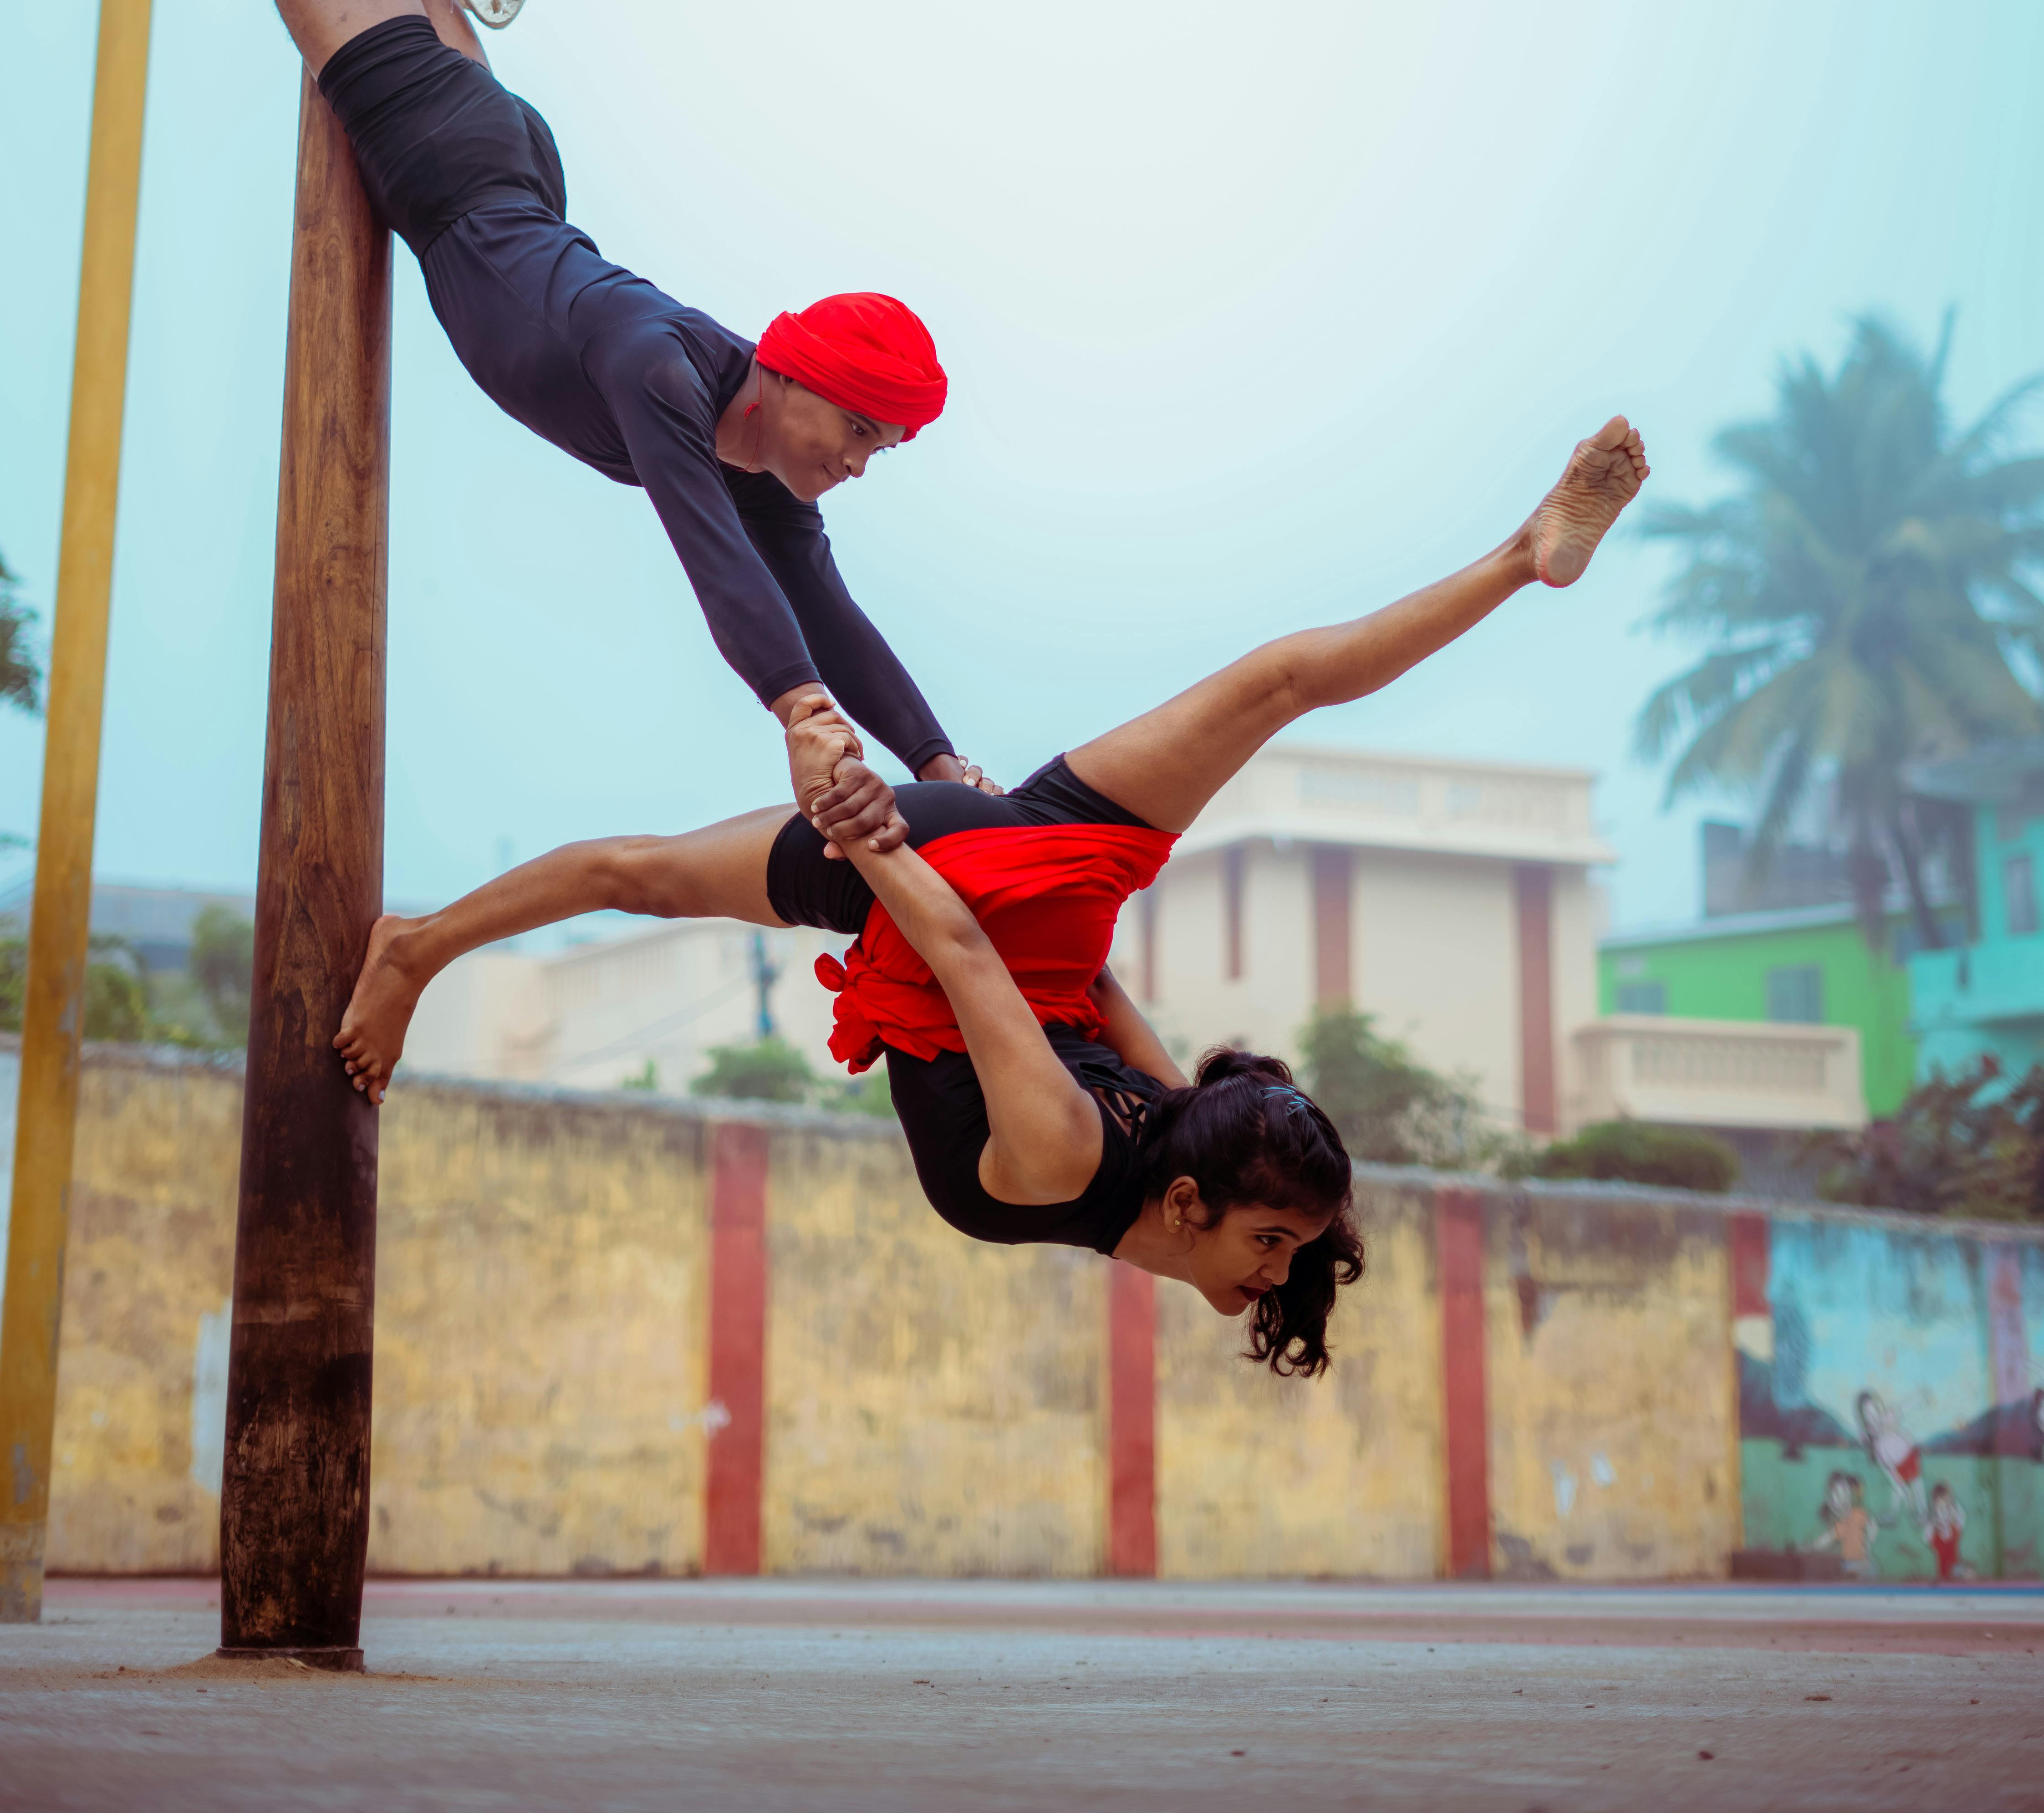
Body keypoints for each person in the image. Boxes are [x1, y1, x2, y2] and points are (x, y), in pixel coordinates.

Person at [334, 413, 1649, 1367]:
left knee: (1275, 686)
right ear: (1188, 1209)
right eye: (1273, 1244)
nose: (1278, 1270)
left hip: (1022, 891)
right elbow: (966, 959)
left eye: (1286, 1251)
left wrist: (974, 816)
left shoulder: (1178, 1138)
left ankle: (1520, 555)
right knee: (643, 877)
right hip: (943, 903)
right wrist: (872, 831)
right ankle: (414, 951)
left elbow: (1080, 985)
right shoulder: (1076, 1158)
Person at [187, 0, 971, 842]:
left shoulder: (746, 439)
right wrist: (800, 711)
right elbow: (714, 560)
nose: (864, 462)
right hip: (453, 164)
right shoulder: (664, 370)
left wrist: (941, 760)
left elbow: (827, 609)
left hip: (503, 176)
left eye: (884, 446)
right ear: (792, 377)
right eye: (862, 429)